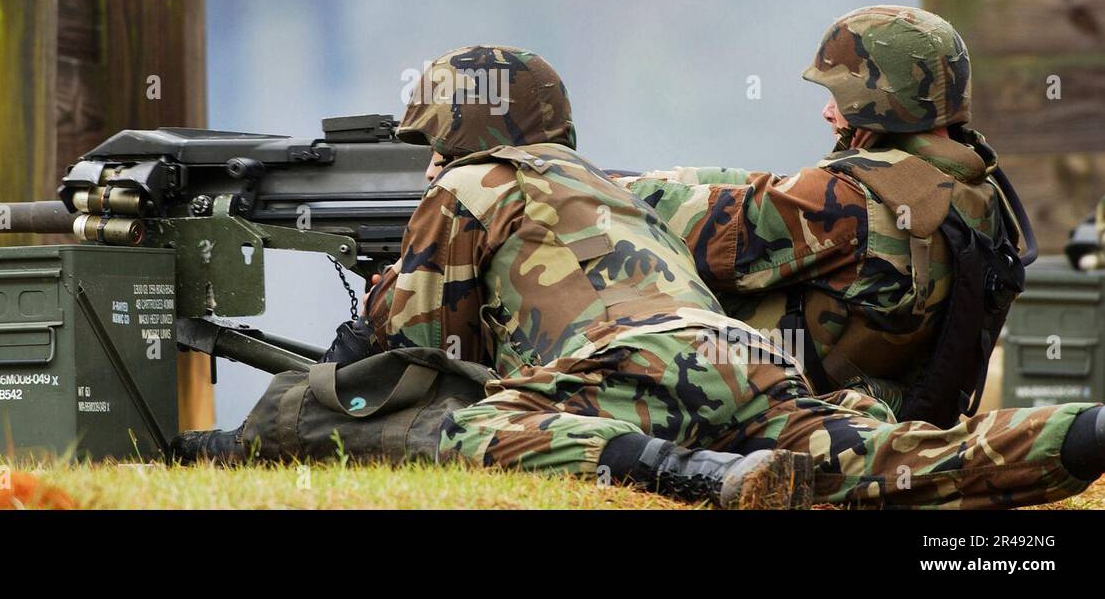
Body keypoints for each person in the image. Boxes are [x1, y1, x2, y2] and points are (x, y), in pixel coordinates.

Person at [179, 44, 1105, 509]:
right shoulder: (607, 187)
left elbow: (421, 365)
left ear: (452, 137)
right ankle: (1089, 434)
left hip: (633, 383)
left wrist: (380, 302)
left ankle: (698, 477)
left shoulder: (467, 186)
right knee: (886, 462)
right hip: (745, 360)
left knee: (472, 427)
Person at [616, 5, 1023, 422]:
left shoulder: (847, 202)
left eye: (839, 97)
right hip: (893, 415)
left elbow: (680, 224)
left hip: (796, 418)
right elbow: (769, 191)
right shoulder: (976, 191)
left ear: (876, 101)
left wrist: (586, 186)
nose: (827, 112)